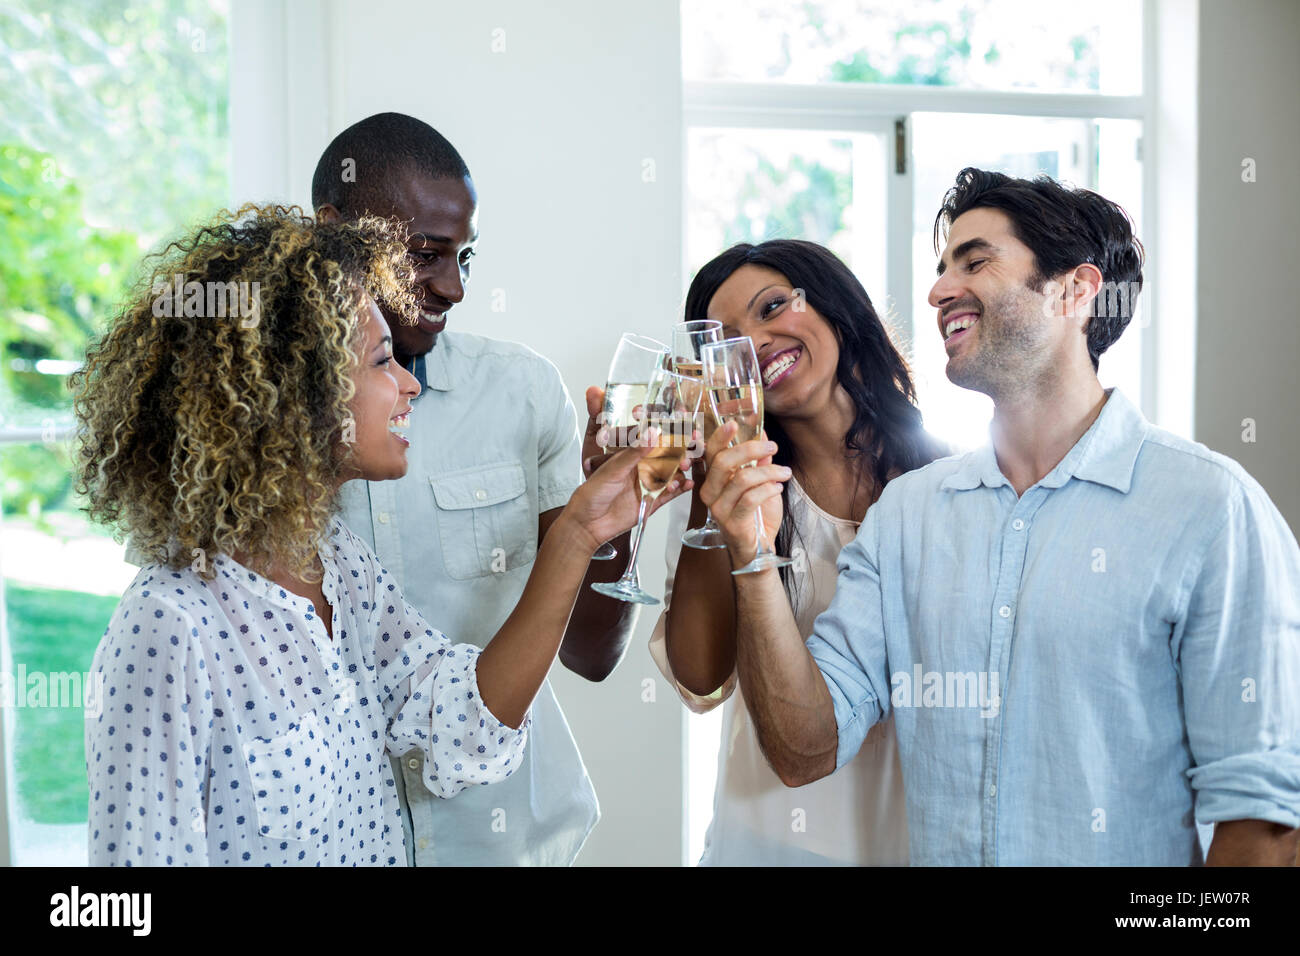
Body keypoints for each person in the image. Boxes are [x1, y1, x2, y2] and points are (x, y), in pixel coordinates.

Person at [704, 168, 1300, 866]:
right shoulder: (908, 516)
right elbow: (805, 749)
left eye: (974, 261)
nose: (938, 291)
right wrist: (752, 555)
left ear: (1076, 290)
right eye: (940, 270)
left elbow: (1262, 821)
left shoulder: (1209, 508)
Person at [76, 205, 686, 866]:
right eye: (381, 361)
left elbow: (462, 725)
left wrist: (580, 531)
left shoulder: (339, 566)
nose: (408, 386)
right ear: (295, 394)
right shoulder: (168, 627)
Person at [314, 113, 634, 866]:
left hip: (508, 842)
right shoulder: (252, 435)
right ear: (333, 233)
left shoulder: (523, 393)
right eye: (425, 255)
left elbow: (591, 654)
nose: (455, 288)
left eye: (465, 258)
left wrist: (609, 519)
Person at [649, 240, 944, 865]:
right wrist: (710, 488)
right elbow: (700, 677)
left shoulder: (951, 481)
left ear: (835, 304)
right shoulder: (731, 497)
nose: (756, 342)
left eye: (773, 307)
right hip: (766, 842)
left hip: (913, 841)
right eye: (727, 342)